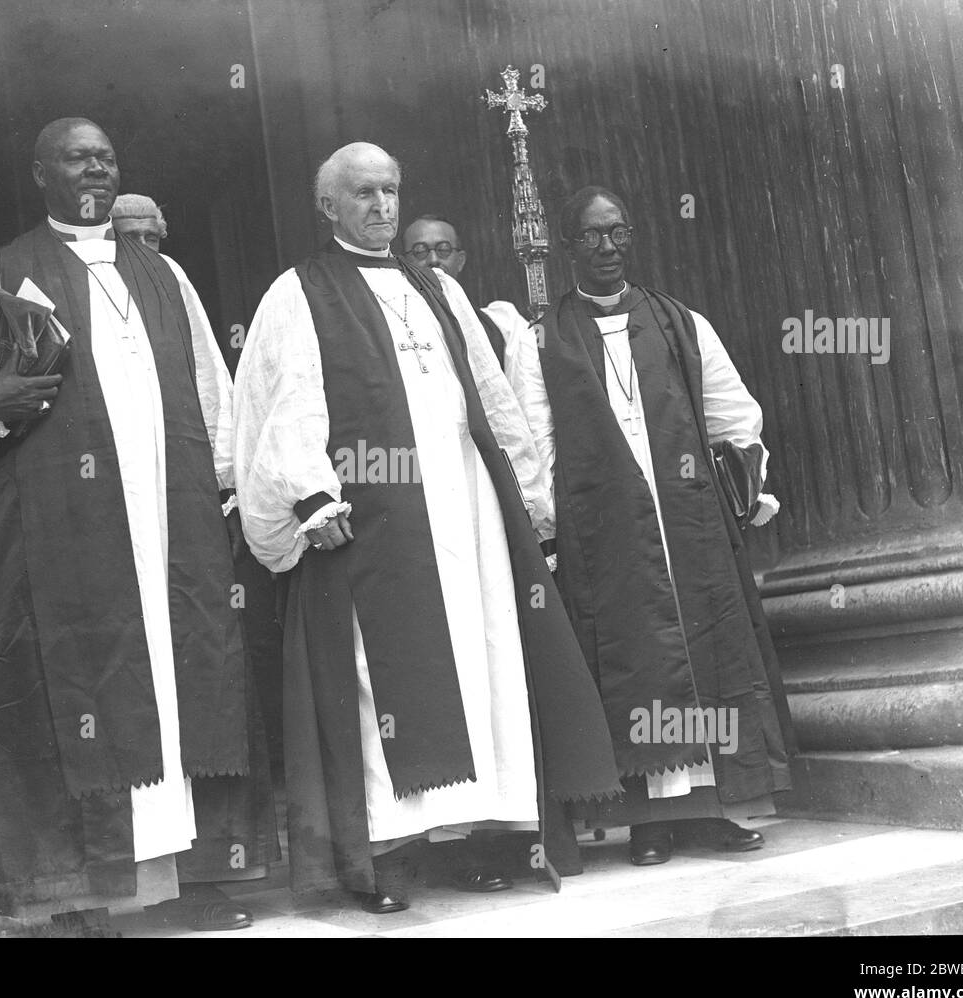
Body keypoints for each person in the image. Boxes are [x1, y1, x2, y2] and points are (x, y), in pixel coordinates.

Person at [0, 119, 271, 932]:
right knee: (71, 696)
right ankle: (68, 898)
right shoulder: (11, 278)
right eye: (75, 156)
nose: (94, 168)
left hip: (166, 532)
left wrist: (228, 496)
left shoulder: (163, 274)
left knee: (174, 696)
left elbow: (213, 393)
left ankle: (173, 886)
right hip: (61, 538)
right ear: (41, 173)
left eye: (105, 155)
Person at [234, 142, 618, 913]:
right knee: (386, 676)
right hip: (376, 523)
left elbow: (490, 392)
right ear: (328, 207)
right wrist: (312, 497)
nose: (382, 206)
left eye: (391, 190)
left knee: (483, 659)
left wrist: (526, 498)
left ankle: (481, 835)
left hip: (468, 510)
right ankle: (387, 852)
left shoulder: (436, 284)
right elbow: (284, 402)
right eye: (365, 193)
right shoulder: (298, 292)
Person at [508, 186, 794, 866]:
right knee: (637, 662)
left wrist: (745, 482)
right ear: (568, 246)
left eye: (617, 232)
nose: (607, 247)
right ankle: (650, 821)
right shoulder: (539, 337)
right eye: (591, 236)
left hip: (690, 521)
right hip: (604, 530)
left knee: (707, 656)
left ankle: (710, 809)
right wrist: (550, 524)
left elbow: (731, 412)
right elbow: (534, 441)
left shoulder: (678, 321)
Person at [111, 192, 280, 929]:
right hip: (110, 527)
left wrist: (225, 491)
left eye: (152, 233)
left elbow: (216, 395)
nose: (141, 247)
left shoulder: (173, 286)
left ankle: (207, 872)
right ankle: (120, 882)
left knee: (201, 689)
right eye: (127, 235)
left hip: (186, 524)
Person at [401, 214, 529, 374]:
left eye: (443, 250)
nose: (433, 259)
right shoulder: (397, 325)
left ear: (460, 261)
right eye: (420, 251)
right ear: (404, 264)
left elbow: (538, 342)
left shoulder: (502, 323)